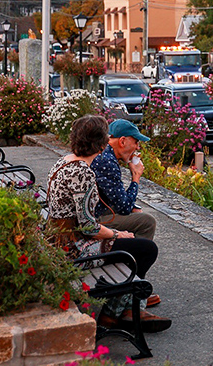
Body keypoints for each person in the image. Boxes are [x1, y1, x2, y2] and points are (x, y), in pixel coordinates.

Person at [46, 114, 171, 333]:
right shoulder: (82, 172)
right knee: (146, 250)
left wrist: (115, 233)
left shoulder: (65, 161)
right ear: (102, 143)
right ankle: (115, 313)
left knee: (137, 244)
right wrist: (116, 235)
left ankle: (127, 307)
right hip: (73, 249)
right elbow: (89, 228)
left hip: (62, 239)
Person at [91, 119, 157, 241]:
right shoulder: (107, 161)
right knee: (147, 222)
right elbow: (124, 207)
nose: (137, 147)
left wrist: (132, 206)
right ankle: (134, 257)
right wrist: (136, 178)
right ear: (122, 141)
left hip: (92, 210)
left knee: (136, 211)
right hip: (92, 220)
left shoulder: (103, 152)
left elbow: (119, 199)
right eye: (136, 142)